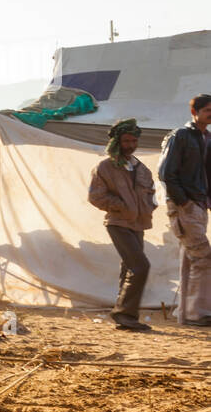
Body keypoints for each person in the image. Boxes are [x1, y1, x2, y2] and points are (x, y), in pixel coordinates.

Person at [88, 119, 157, 331]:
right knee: (140, 266)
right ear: (118, 141)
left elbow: (152, 195)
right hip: (117, 222)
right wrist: (122, 207)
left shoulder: (142, 168)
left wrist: (146, 208)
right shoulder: (105, 167)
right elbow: (96, 196)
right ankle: (125, 314)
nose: (131, 144)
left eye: (134, 140)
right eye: (127, 140)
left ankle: (123, 315)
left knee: (129, 268)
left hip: (138, 224)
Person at [157, 94, 211, 327]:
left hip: (199, 204)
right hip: (185, 205)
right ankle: (197, 313)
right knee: (203, 258)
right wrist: (184, 202)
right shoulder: (180, 135)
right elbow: (166, 172)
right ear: (194, 112)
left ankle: (187, 314)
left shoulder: (206, 138)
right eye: (207, 109)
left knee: (192, 260)